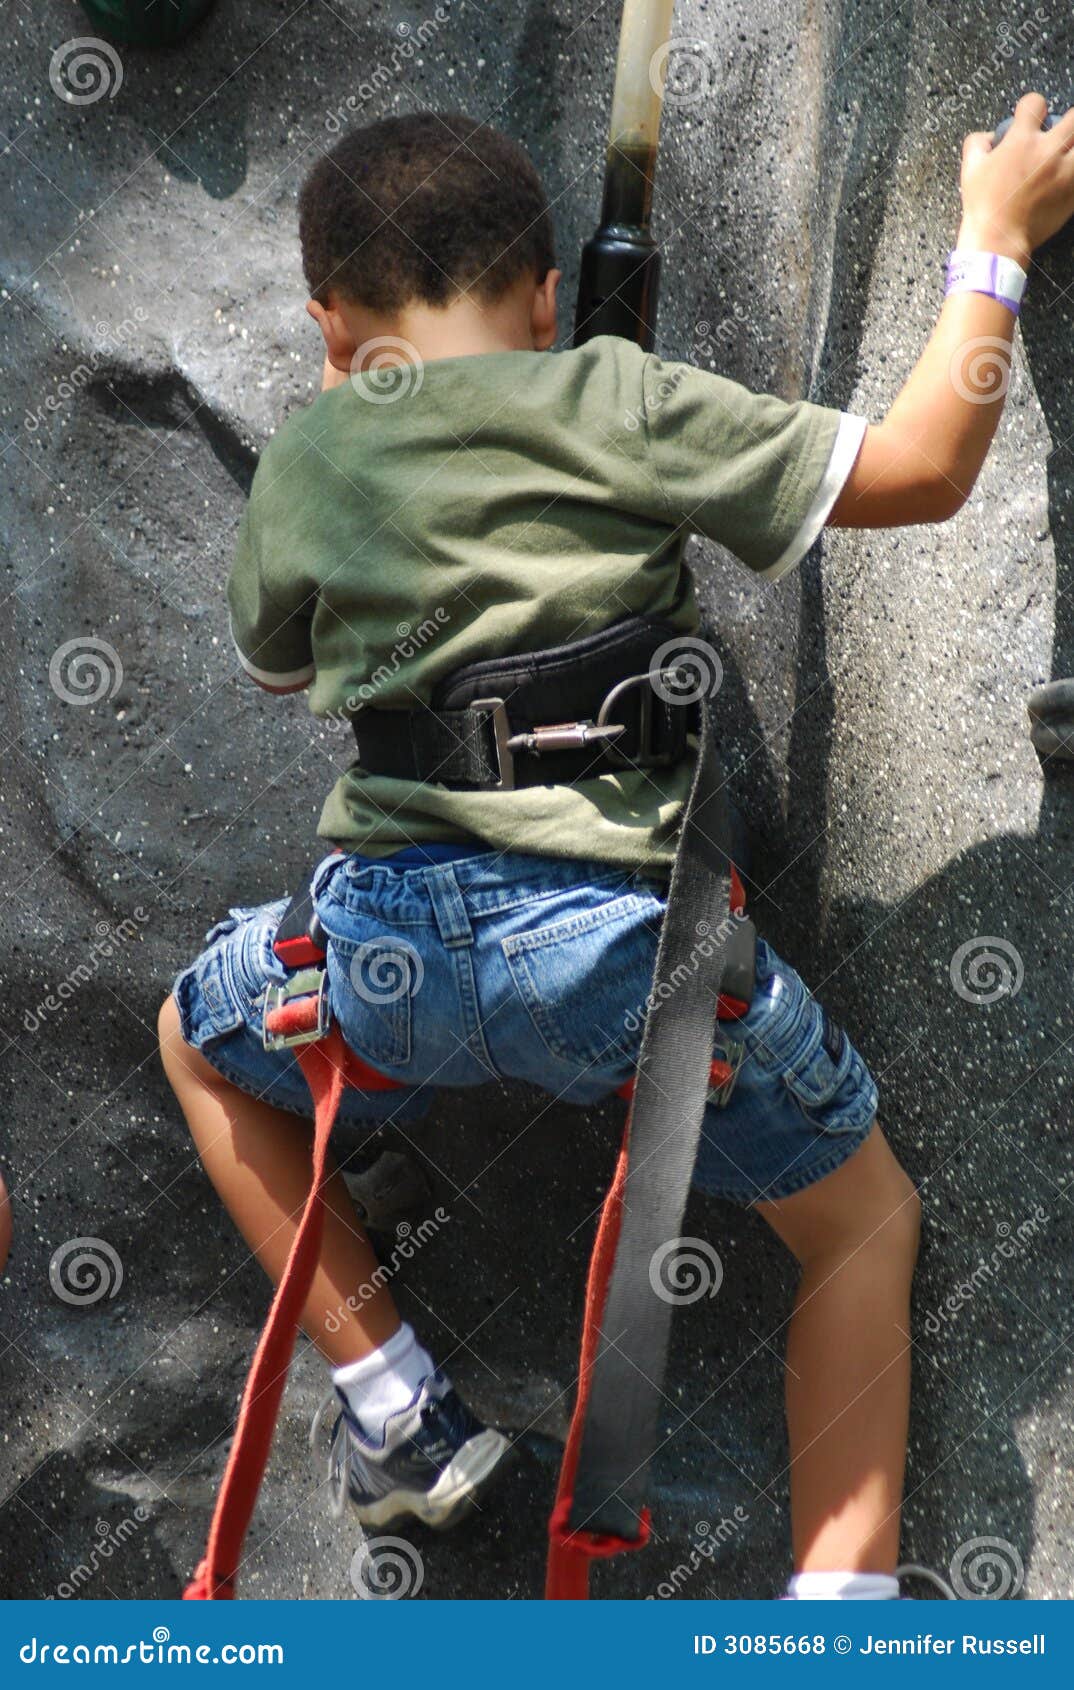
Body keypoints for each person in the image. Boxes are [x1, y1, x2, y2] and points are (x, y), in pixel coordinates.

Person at [159, 94, 1074, 1598]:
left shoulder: (315, 455)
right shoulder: (620, 399)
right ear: (540, 296)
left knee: (198, 1042)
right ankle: (835, 1604)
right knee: (859, 1225)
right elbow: (919, 472)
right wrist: (988, 238)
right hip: (625, 975)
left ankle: (395, 1407)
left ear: (328, 325)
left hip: (375, 962)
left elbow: (276, 662)